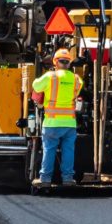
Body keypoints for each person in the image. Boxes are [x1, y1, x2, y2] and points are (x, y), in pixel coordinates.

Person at [30, 48, 82, 188]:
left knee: (49, 149)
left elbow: (35, 86)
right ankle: (68, 179)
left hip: (52, 122)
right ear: (69, 63)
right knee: (68, 151)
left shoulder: (50, 76)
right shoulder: (76, 79)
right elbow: (77, 91)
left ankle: (45, 179)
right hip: (70, 123)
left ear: (55, 62)